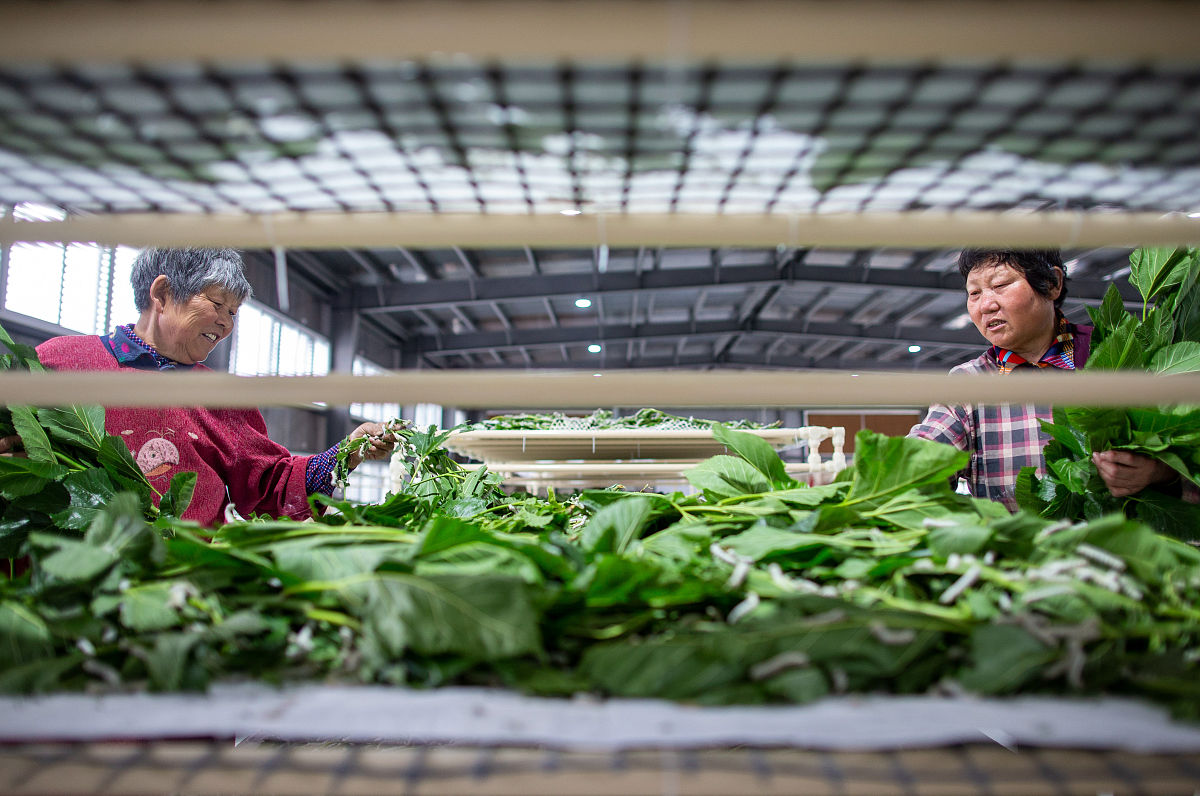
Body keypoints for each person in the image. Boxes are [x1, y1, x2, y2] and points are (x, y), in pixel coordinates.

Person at [0, 247, 395, 526]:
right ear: (162, 293)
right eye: (217, 303)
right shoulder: (58, 361)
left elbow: (271, 486)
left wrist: (349, 451)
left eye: (234, 312)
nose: (226, 323)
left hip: (178, 584)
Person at [909, 248, 1179, 511]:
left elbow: (1186, 448)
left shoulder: (1119, 357)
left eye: (1000, 285)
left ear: (1052, 284)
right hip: (1018, 552)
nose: (986, 305)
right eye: (974, 293)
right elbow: (926, 454)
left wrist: (1161, 472)